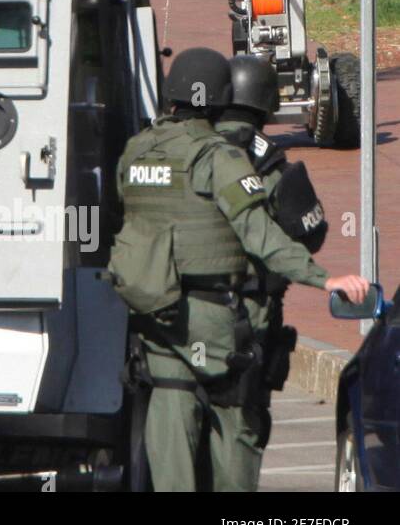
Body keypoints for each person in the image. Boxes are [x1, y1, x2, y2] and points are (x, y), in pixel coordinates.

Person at [111, 47, 367, 492]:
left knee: (171, 461)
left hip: (157, 327)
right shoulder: (224, 157)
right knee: (235, 447)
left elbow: (119, 223)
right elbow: (261, 235)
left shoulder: (134, 153)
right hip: (225, 329)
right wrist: (325, 277)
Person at [215, 54, 329, 460]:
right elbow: (312, 234)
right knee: (245, 425)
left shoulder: (193, 149)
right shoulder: (268, 161)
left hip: (186, 314)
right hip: (252, 313)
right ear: (266, 103)